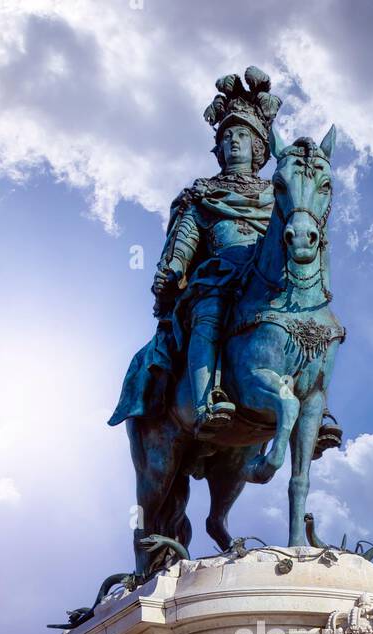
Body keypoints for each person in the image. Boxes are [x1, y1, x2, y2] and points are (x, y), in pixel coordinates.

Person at [109, 68, 281, 439]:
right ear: (218, 149)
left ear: (259, 148)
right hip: (219, 275)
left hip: (266, 279)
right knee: (208, 315)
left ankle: (316, 409)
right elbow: (185, 237)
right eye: (228, 136)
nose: (235, 142)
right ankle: (205, 403)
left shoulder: (277, 197)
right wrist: (172, 267)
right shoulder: (203, 194)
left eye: (243, 136)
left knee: (309, 322)